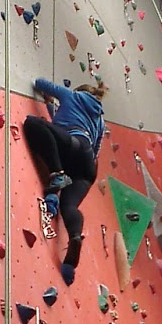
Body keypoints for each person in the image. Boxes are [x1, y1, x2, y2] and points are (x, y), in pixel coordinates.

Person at [24, 77, 105, 282]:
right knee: (69, 206)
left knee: (33, 124)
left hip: (72, 144)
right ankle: (75, 238)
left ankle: (57, 174)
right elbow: (95, 150)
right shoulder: (99, 120)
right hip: (87, 167)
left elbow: (40, 83)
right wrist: (53, 108)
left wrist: (50, 96)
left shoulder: (72, 95)